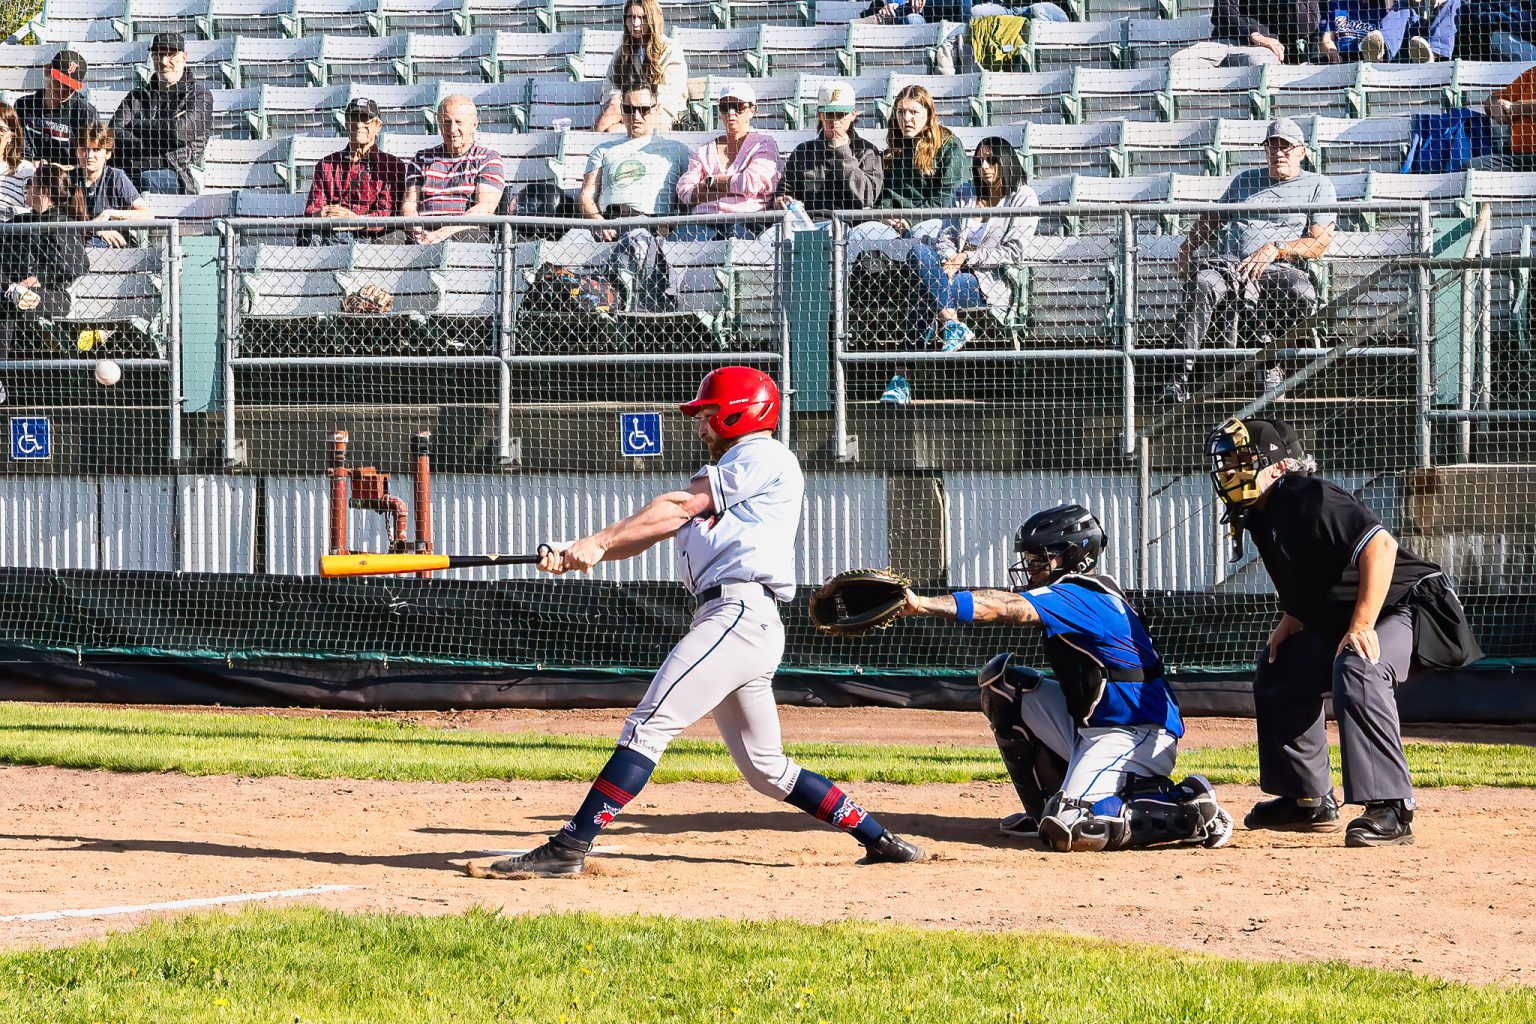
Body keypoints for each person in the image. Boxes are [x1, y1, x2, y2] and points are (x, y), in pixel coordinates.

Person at [466, 367, 926, 879]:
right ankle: (881, 840)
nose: (701, 425)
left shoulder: (761, 454)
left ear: (738, 413)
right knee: (767, 769)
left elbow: (677, 506)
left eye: (708, 414)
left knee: (648, 725)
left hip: (738, 613)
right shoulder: (732, 474)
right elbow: (652, 531)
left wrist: (595, 541)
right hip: (738, 620)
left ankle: (570, 847)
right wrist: (585, 552)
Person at [1205, 417, 1482, 847]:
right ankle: (1307, 799)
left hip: (1410, 606)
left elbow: (1380, 546)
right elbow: (1309, 575)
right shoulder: (1260, 513)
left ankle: (1392, 806)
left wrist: (1361, 625)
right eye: (1224, 462)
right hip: (1359, 611)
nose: (1228, 471)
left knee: (1359, 663)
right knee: (1281, 667)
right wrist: (1291, 619)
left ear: (1278, 465)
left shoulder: (1308, 493)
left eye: (1240, 460)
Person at [898, 503, 1234, 853]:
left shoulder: (1082, 595)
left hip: (1134, 731)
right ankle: (1044, 809)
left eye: (1040, 559)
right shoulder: (1073, 593)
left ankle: (1191, 809)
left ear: (1075, 555)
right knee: (1004, 686)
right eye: (1030, 560)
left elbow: (1002, 606)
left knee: (1072, 826)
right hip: (1093, 726)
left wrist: (921, 603)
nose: (1031, 568)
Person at [1164, 118, 1335, 404]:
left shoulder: (1317, 185)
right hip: (1230, 265)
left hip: (1279, 267)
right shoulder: (1245, 180)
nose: (1277, 152)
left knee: (1299, 291)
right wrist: (1186, 248)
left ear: (1301, 152)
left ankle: (1274, 366)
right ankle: (1177, 380)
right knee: (1202, 283)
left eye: (1285, 146)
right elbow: (1213, 218)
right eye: (1272, 146)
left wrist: (1276, 249)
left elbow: (1318, 244)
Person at [0, 164, 90, 403]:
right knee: (9, 301)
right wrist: (10, 285)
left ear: (45, 191)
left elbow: (78, 266)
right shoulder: (17, 223)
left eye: (32, 184)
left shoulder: (61, 223)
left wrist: (40, 279)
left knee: (10, 305)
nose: (27, 187)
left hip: (53, 296)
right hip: (13, 294)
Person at [108, 33, 213, 195]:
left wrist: (136, 125)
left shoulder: (199, 96)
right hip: (130, 166)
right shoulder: (136, 97)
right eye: (157, 54)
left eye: (170, 54)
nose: (163, 62)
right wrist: (164, 133)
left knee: (143, 181)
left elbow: (180, 132)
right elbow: (113, 134)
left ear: (184, 57)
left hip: (174, 171)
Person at [674, 82, 780, 241]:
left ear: (752, 110)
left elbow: (752, 182)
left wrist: (710, 182)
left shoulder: (763, 144)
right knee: (679, 242)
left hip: (747, 221)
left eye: (738, 106)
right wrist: (735, 187)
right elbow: (685, 191)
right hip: (704, 221)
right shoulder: (705, 150)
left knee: (735, 239)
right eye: (725, 107)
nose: (731, 112)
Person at [581, 86, 690, 239]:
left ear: (656, 109)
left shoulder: (677, 150)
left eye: (644, 109)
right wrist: (598, 222)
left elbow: (691, 193)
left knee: (636, 237)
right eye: (629, 109)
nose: (636, 116)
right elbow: (586, 195)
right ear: (621, 109)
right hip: (607, 222)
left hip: (650, 225)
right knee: (570, 240)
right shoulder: (602, 150)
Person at [302, 98, 410, 245]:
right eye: (354, 118)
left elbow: (388, 212)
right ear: (346, 123)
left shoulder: (392, 165)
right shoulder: (326, 164)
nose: (359, 124)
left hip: (370, 236)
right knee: (309, 232)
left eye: (366, 119)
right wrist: (324, 213)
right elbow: (312, 208)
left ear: (378, 126)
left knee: (395, 236)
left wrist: (355, 219)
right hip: (332, 231)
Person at [401, 95, 505, 244]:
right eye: (447, 122)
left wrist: (443, 233)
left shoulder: (488, 158)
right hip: (425, 229)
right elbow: (409, 203)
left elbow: (485, 208)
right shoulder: (421, 158)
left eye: (459, 122)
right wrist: (416, 228)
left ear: (474, 124)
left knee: (465, 237)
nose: (452, 129)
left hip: (464, 231)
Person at [774, 81, 883, 219]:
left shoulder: (868, 152)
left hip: (853, 225)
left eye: (840, 114)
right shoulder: (803, 151)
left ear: (853, 114)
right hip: (809, 226)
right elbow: (785, 190)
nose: (835, 121)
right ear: (820, 115)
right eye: (829, 114)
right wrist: (781, 200)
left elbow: (868, 197)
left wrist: (843, 153)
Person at [877, 84, 966, 227]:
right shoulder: (894, 148)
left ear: (928, 114)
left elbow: (949, 195)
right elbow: (885, 192)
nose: (906, 118)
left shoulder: (948, 145)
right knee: (860, 234)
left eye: (913, 112)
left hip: (933, 220)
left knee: (920, 234)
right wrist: (883, 212)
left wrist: (911, 220)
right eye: (901, 112)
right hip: (892, 222)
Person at [594, 0, 688, 133]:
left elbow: (671, 93)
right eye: (631, 17)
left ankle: (588, 144)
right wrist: (623, 103)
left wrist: (637, 101)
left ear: (652, 19)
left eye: (642, 18)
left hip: (660, 113)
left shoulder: (671, 49)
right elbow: (609, 89)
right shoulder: (621, 52)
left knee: (614, 131)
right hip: (627, 112)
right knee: (613, 114)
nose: (635, 23)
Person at [15, 49, 99, 169]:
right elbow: (17, 148)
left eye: (70, 86)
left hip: (68, 179)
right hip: (26, 172)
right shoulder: (23, 105)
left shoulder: (86, 113)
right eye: (59, 81)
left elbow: (92, 161)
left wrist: (59, 169)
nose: (63, 89)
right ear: (47, 71)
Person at [70, 124, 150, 248]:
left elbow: (147, 215)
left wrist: (109, 214)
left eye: (96, 150)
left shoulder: (116, 177)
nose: (89, 155)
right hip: (77, 240)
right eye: (84, 149)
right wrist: (96, 228)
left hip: (112, 245)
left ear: (108, 154)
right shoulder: (68, 179)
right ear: (77, 151)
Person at [1172, 0, 1320, 66]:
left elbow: (1305, 26)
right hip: (1223, 42)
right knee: (1178, 61)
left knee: (1257, 66)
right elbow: (1222, 12)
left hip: (1262, 51)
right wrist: (1254, 35)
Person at [1319, 0, 1435, 61]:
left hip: (1379, 58)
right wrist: (1334, 56)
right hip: (1345, 58)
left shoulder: (1388, 5)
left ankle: (1378, 55)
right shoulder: (1338, 4)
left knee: (1405, 11)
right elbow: (1326, 39)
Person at [1473, 64, 1536, 172]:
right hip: (1519, 157)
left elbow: (1513, 107)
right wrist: (1498, 106)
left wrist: (1516, 108)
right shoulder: (1532, 73)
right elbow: (1492, 101)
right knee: (1472, 167)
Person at [0, 103, 37, 219]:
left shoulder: (24, 170)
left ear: (11, 136)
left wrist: (7, 213)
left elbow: (34, 210)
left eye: (1, 130)